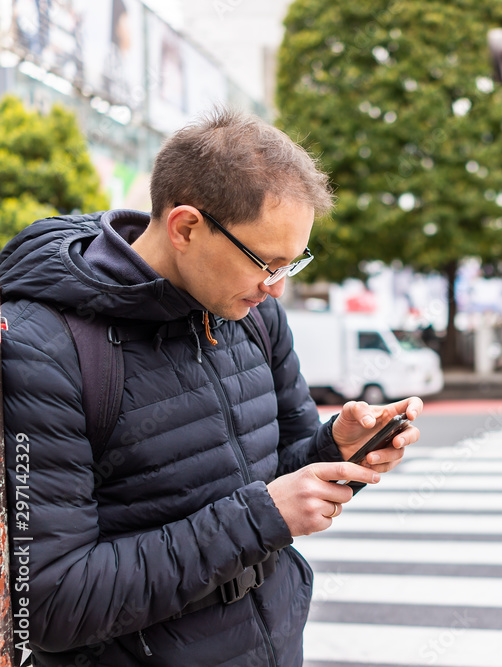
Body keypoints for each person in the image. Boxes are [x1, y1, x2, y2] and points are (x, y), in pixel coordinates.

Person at [0, 108, 423, 665]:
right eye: (265, 263)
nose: (274, 288)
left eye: (289, 265)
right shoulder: (42, 344)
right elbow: (52, 603)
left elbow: (277, 476)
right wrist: (260, 517)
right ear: (185, 227)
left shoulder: (251, 315)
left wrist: (336, 450)